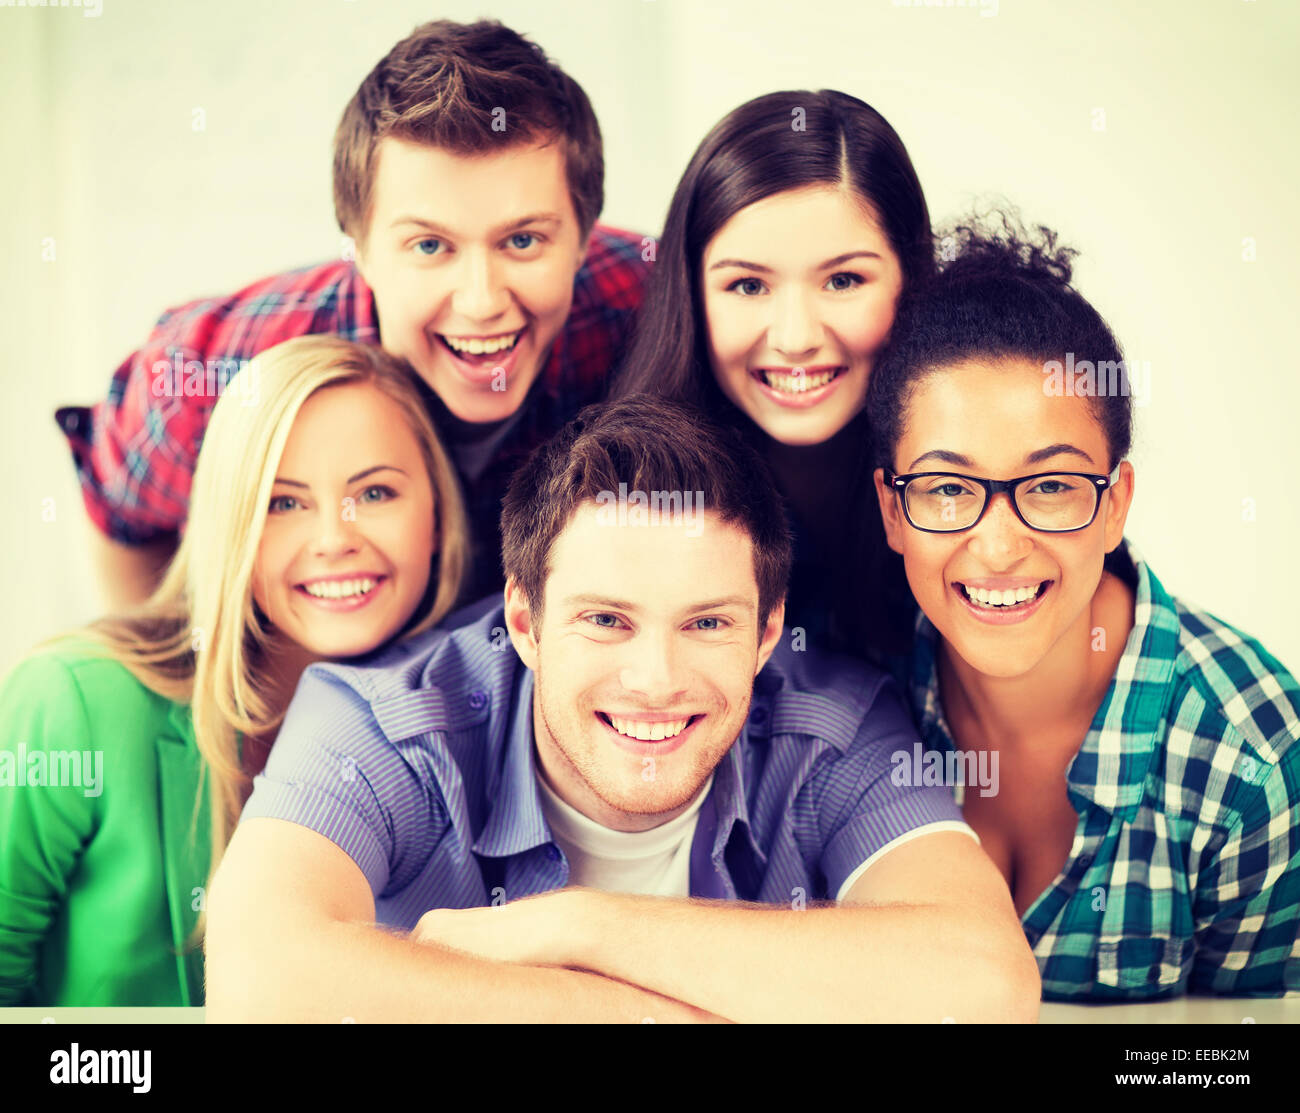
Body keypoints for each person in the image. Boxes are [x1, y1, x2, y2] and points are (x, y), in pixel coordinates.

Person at [204, 393, 1040, 1023]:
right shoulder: (380, 720)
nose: (656, 679)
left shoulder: (835, 723)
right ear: (524, 622)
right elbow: (258, 976)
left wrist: (579, 928)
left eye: (708, 623)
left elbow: (986, 982)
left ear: (766, 631)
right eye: (605, 620)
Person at [56, 18, 649, 610]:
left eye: (522, 241)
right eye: (429, 246)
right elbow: (120, 513)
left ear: (582, 237)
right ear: (359, 248)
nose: (481, 301)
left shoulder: (653, 303)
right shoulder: (219, 373)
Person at [867, 216, 1300, 1000]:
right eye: (947, 487)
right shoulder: (862, 690)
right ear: (892, 511)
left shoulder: (1256, 760)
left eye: (1052, 485)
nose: (998, 548)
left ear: (1115, 503)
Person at [0, 336, 470, 1005]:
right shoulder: (70, 701)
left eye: (375, 491)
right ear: (231, 521)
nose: (335, 536)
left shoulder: (463, 728)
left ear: (437, 512)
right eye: (284, 502)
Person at [613, 89, 932, 661]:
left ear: (910, 278)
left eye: (843, 281)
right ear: (691, 295)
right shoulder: (628, 496)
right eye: (748, 285)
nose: (795, 338)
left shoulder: (971, 472)